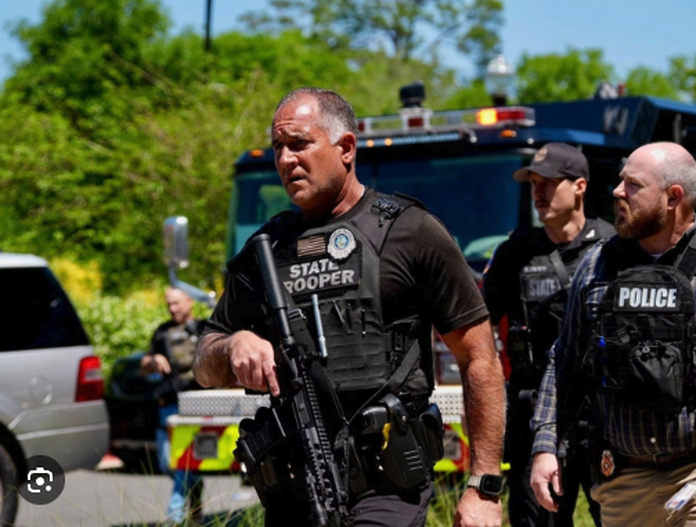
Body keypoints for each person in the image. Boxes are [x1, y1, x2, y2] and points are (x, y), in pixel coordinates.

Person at [193, 87, 506, 527]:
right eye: (278, 147)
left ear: (345, 148)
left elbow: (479, 359)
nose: (285, 159)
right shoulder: (265, 252)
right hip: (295, 489)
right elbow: (203, 365)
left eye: (299, 143)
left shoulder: (411, 233)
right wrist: (232, 346)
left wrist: (483, 487)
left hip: (388, 484)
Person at [530, 142, 696, 527]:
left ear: (673, 197)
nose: (617, 191)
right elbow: (565, 361)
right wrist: (545, 447)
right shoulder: (596, 265)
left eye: (633, 184)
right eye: (621, 181)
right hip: (623, 481)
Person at [483, 142, 611, 526]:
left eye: (550, 183)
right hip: (535, 412)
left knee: (620, 516)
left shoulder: (612, 247)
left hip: (603, 413)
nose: (538, 193)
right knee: (535, 519)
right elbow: (479, 322)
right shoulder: (515, 251)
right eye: (533, 183)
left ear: (580, 186)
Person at [141, 286, 206, 524]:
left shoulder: (204, 327)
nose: (172, 308)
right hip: (169, 403)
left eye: (176, 303)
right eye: (169, 304)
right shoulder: (162, 332)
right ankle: (196, 493)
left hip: (198, 404)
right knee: (167, 461)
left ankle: (174, 516)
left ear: (190, 301)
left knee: (183, 462)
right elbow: (144, 364)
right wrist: (153, 360)